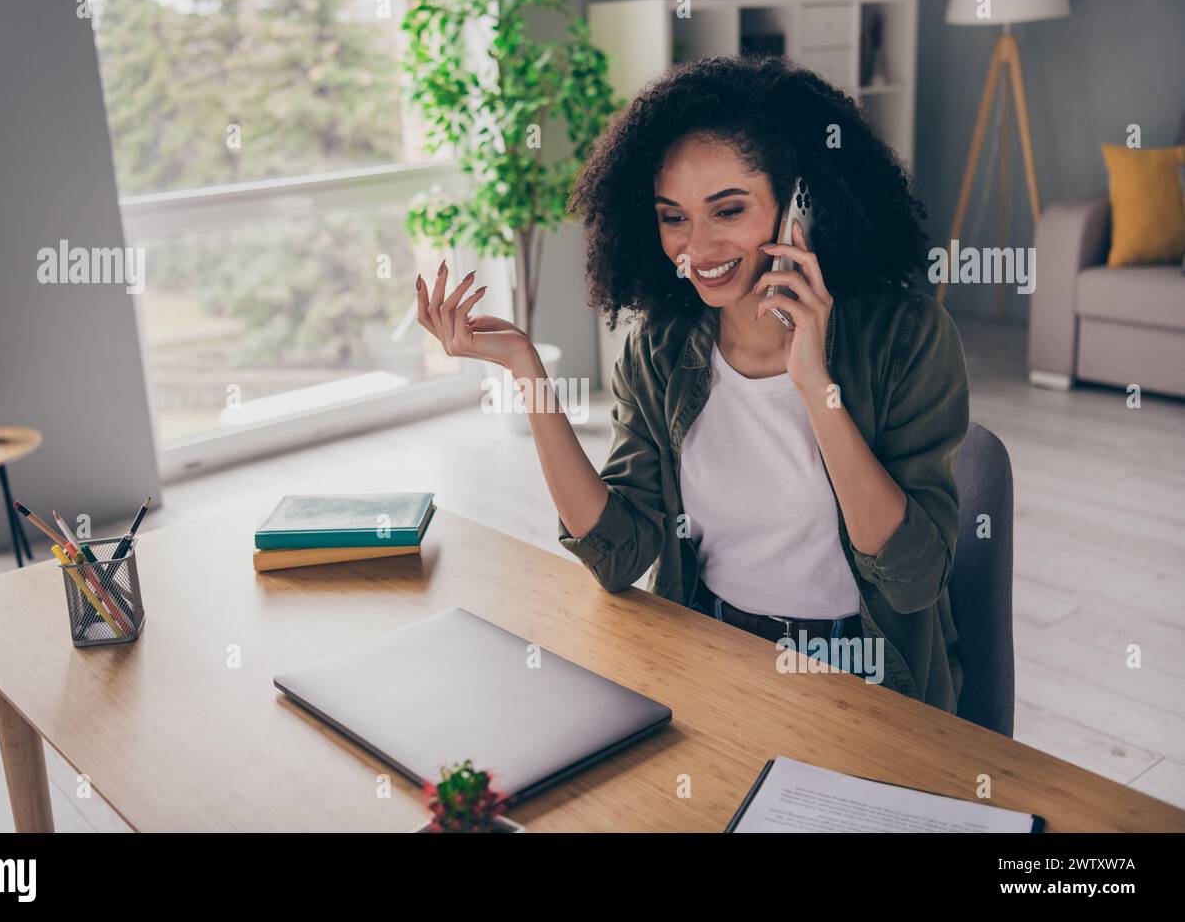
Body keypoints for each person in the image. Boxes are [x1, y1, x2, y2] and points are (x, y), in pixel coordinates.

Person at [412, 54, 970, 713]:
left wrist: (814, 383)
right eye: (673, 217)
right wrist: (527, 371)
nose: (696, 250)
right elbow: (618, 556)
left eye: (727, 210)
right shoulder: (662, 351)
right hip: (710, 651)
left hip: (863, 674)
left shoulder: (905, 338)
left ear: (801, 204)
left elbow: (912, 579)